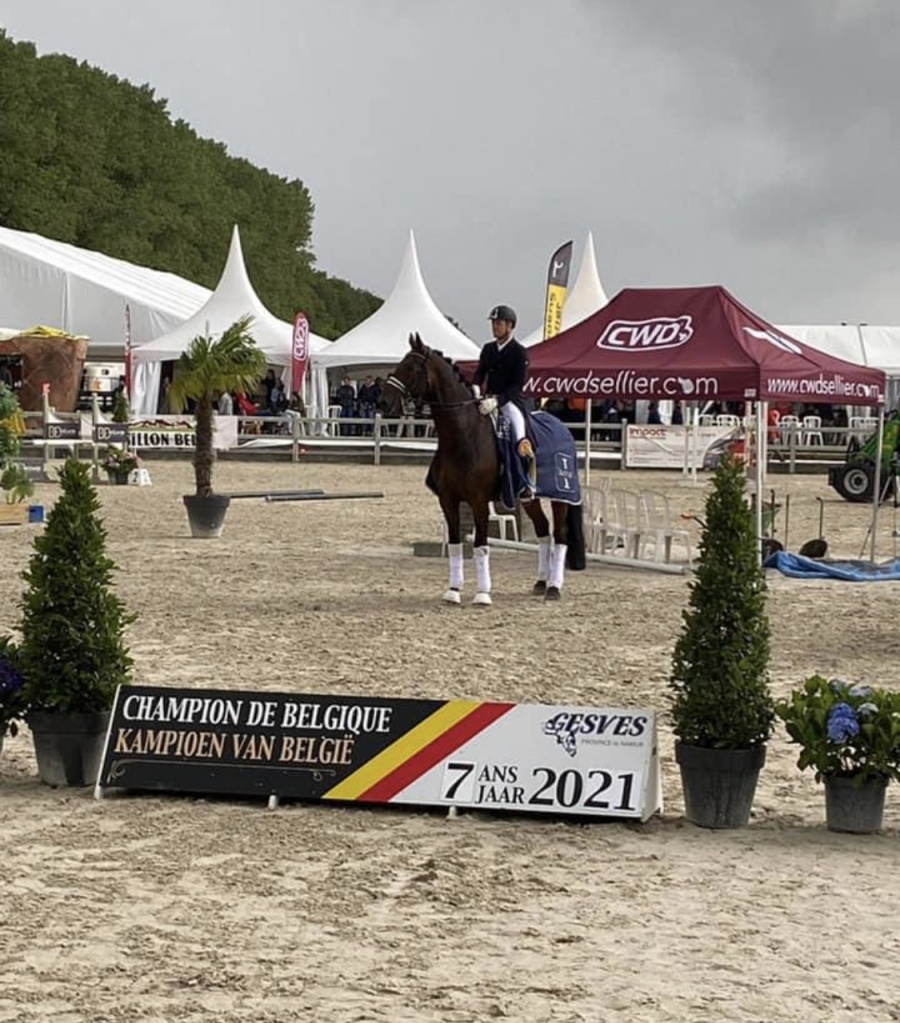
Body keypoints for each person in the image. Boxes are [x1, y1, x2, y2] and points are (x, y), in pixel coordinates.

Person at [472, 304, 535, 493]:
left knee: (518, 434)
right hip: (487, 401)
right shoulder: (488, 349)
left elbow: (517, 386)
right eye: (493, 323)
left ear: (510, 326)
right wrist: (475, 388)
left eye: (498, 323)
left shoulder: (519, 352)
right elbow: (480, 373)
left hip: (510, 403)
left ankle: (525, 481)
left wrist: (497, 401)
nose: (494, 327)